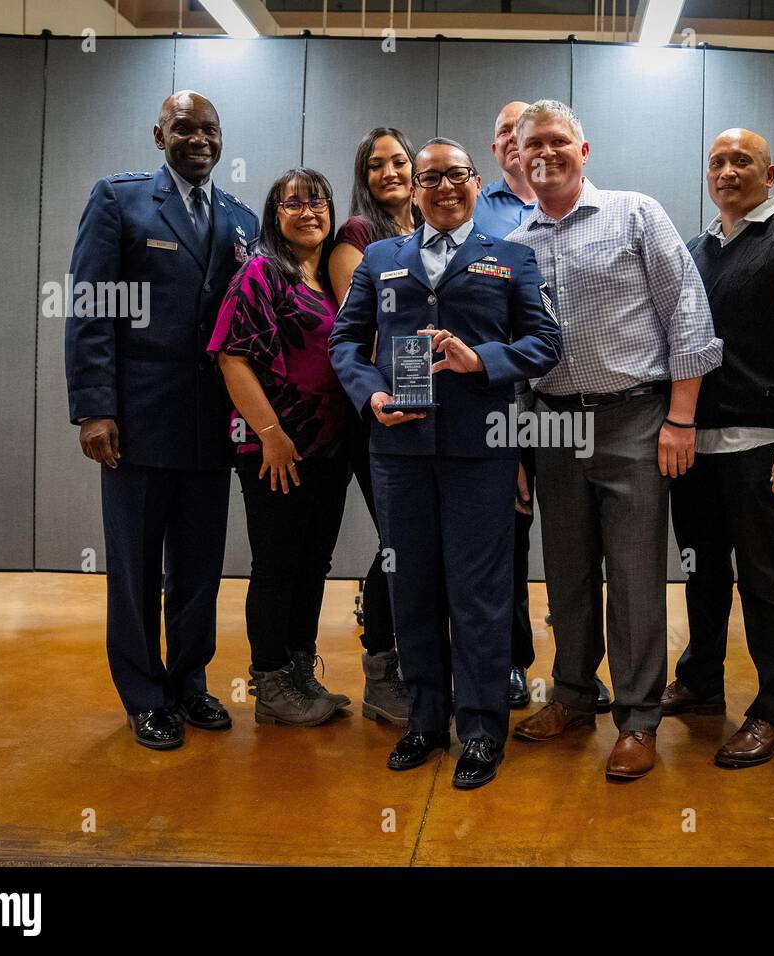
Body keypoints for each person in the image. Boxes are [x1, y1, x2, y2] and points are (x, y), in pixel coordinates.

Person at [330, 138, 561, 789]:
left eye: (455, 175)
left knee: (480, 594)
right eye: (429, 177)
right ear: (416, 190)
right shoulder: (381, 258)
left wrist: (482, 360)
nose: (443, 187)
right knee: (414, 589)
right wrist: (371, 392)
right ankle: (427, 721)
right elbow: (345, 339)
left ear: (474, 180)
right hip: (399, 452)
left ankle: (483, 729)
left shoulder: (512, 259)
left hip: (480, 450)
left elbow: (547, 341)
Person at [508, 100, 721, 781]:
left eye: (557, 140)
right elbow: (512, 353)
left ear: (583, 148)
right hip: (551, 423)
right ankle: (571, 694)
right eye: (530, 143)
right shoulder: (515, 244)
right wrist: (518, 447)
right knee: (565, 571)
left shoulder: (635, 213)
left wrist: (681, 418)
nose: (545, 152)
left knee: (633, 577)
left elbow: (687, 310)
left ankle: (637, 718)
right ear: (516, 156)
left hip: (634, 417)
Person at [65, 91, 259, 750]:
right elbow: (91, 307)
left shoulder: (240, 219)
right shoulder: (119, 201)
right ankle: (145, 695)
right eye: (184, 128)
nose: (199, 139)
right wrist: (95, 407)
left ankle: (188, 682)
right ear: (159, 135)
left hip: (213, 429)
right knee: (137, 568)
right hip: (140, 424)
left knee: (199, 570)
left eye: (210, 128)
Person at [662, 129, 774, 768]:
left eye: (743, 162)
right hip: (696, 447)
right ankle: (703, 681)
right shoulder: (694, 250)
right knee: (702, 573)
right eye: (718, 161)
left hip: (765, 445)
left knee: (767, 580)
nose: (728, 171)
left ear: (770, 175)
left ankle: (772, 708)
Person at [473, 100, 612, 713]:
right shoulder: (475, 216)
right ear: (502, 146)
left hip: (579, 410)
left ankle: (579, 672)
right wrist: (511, 439)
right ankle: (508, 661)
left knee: (575, 552)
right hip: (511, 408)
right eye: (506, 132)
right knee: (505, 544)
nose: (518, 143)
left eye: (526, 132)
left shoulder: (589, 207)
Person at [208, 167, 352, 727]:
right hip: (277, 448)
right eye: (293, 204)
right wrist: (271, 435)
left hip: (328, 447)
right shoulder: (263, 272)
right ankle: (269, 684)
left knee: (314, 562)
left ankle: (299, 672)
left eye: (318, 201)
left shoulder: (333, 281)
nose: (308, 211)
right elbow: (232, 356)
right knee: (278, 564)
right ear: (275, 215)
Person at [327, 127, 424, 727]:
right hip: (381, 413)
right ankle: (380, 668)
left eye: (398, 162)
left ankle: (417, 662)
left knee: (419, 538)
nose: (389, 172)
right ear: (363, 177)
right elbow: (359, 335)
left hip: (434, 409)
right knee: (399, 541)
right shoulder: (356, 238)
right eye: (375, 165)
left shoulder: (434, 230)